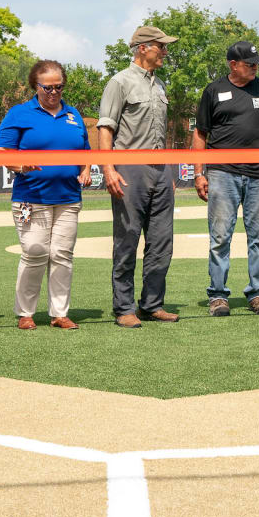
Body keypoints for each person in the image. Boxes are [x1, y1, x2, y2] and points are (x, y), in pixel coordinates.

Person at [193, 41, 259, 316]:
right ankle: (218, 296)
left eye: (257, 62)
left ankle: (257, 293)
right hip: (222, 172)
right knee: (220, 237)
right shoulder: (213, 90)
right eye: (250, 63)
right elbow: (200, 134)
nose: (256, 67)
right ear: (233, 65)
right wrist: (199, 173)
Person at [0, 62, 92, 330]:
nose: (53, 92)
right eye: (47, 87)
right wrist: (20, 165)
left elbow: (85, 150)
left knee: (62, 255)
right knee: (34, 251)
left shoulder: (73, 114)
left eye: (58, 87)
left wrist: (85, 170)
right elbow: (2, 152)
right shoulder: (19, 113)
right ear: (35, 86)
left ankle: (59, 313)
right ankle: (25, 313)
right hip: (30, 198)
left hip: (68, 199)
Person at [98, 25, 181, 329]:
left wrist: (168, 171)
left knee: (161, 242)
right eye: (162, 46)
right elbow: (105, 128)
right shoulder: (119, 82)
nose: (165, 52)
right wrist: (108, 169)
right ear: (143, 48)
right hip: (129, 168)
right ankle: (124, 308)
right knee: (127, 239)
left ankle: (152, 304)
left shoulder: (160, 85)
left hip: (160, 169)